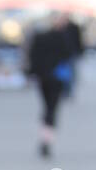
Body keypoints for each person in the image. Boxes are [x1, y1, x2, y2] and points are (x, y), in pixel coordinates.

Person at [24, 12, 75, 157]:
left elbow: (32, 57)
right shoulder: (63, 38)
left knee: (46, 107)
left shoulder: (39, 38)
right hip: (57, 78)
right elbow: (69, 55)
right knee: (52, 108)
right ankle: (47, 138)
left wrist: (33, 73)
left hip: (43, 78)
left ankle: (44, 135)